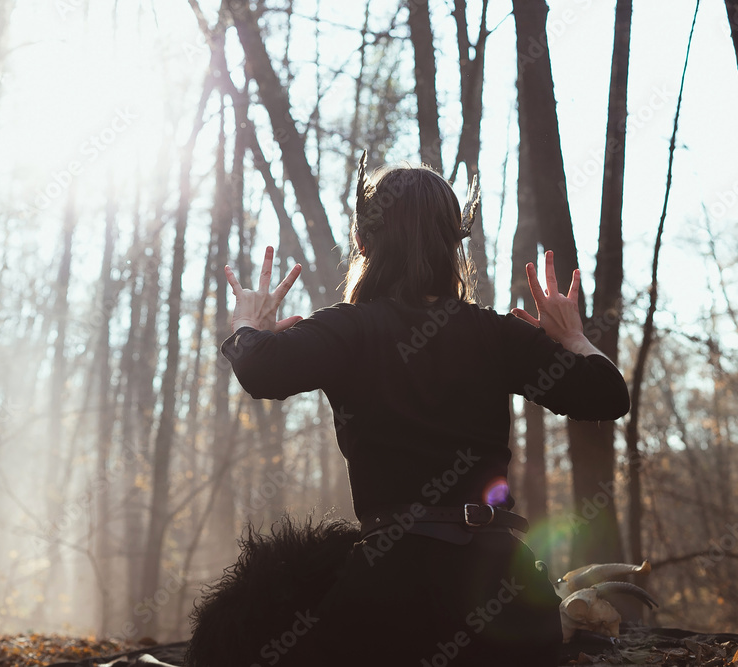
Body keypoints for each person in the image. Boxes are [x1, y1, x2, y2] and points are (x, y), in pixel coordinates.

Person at [210, 160, 630, 666]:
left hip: (390, 594)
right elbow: (608, 396)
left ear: (364, 244)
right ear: (454, 247)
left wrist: (247, 322)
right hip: (505, 596)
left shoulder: (346, 330)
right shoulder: (496, 335)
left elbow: (258, 371)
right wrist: (574, 337)